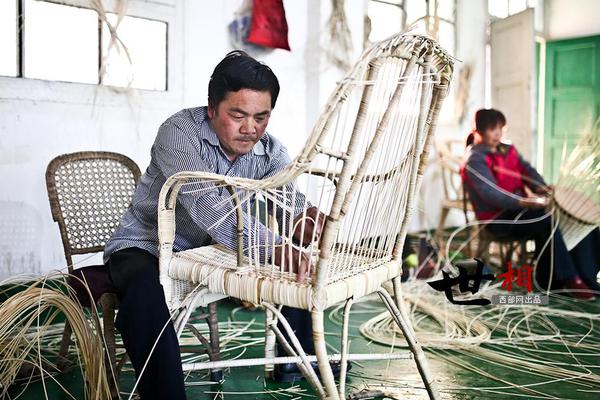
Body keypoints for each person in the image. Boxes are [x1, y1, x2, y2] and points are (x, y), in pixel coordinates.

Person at [104, 51, 328, 399]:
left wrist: (307, 220)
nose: (250, 128)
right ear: (212, 109)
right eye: (237, 115)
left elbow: (289, 205)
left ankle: (296, 363)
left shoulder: (270, 153)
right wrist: (275, 248)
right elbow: (209, 208)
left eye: (261, 117)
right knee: (144, 290)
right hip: (144, 245)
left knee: (296, 264)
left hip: (209, 250)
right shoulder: (179, 133)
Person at [461, 108, 599, 300]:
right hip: (498, 219)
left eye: (500, 128)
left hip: (519, 210)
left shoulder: (506, 149)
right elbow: (491, 194)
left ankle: (586, 276)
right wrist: (522, 201)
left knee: (574, 218)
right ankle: (567, 278)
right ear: (479, 131)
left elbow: (527, 170)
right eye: (492, 129)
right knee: (546, 221)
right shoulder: (475, 160)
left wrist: (541, 187)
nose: (498, 134)